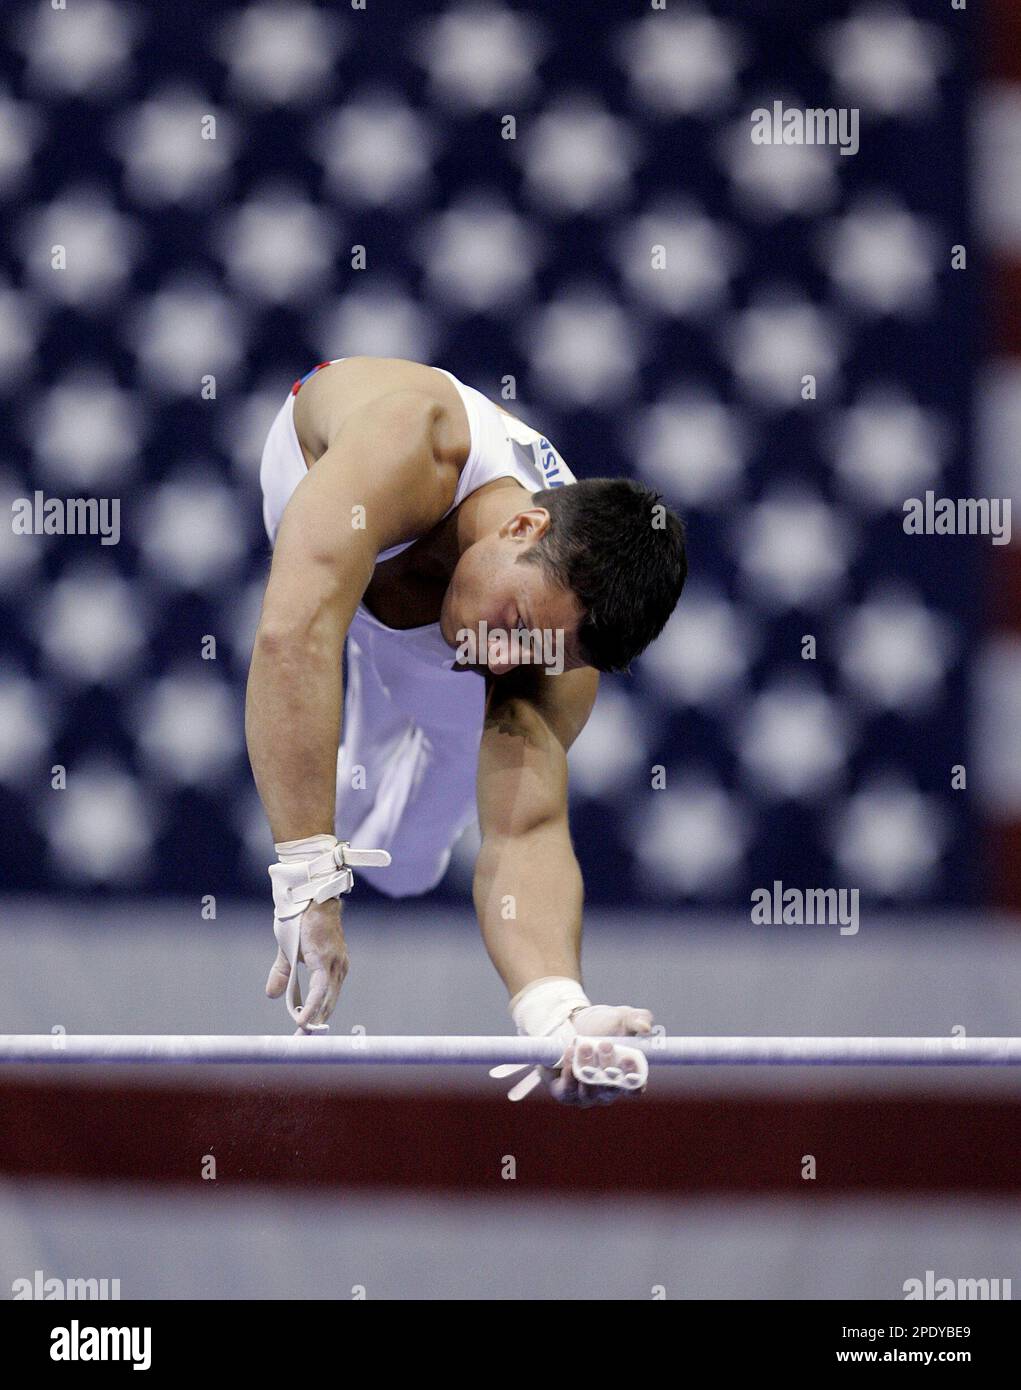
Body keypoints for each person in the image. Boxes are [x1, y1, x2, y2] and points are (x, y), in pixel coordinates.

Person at [247, 356, 687, 1105]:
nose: (498, 656)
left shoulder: (540, 658)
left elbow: (525, 832)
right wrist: (307, 881)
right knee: (319, 669)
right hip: (338, 572)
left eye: (536, 650)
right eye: (517, 623)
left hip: (426, 658)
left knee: (407, 863)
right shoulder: (405, 445)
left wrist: (558, 1013)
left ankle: (387, 786)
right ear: (522, 524)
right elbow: (292, 637)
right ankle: (353, 784)